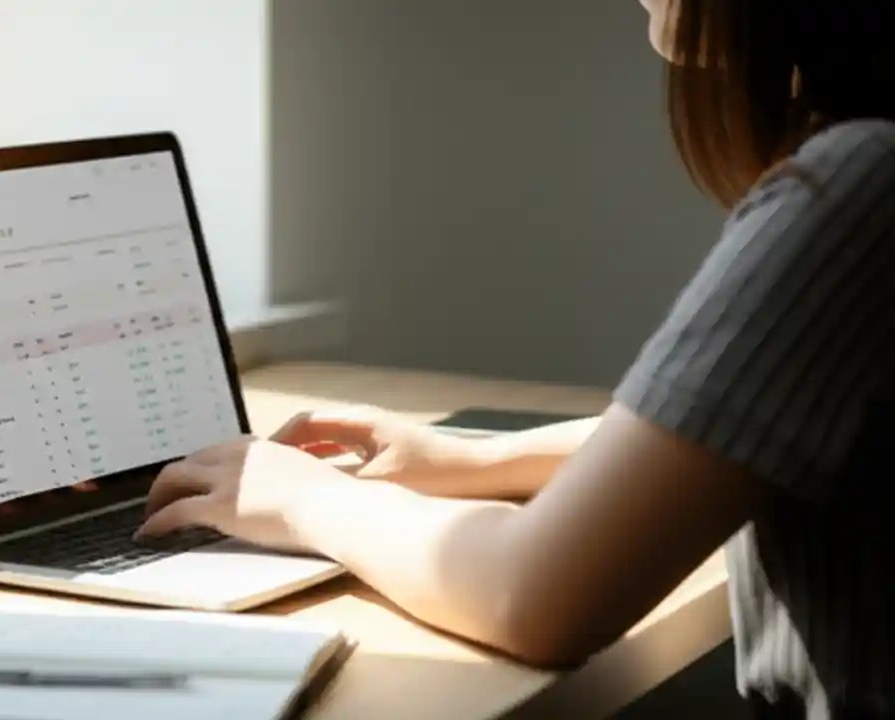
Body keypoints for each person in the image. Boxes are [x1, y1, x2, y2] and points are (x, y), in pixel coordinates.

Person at [137, 1, 895, 717]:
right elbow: (725, 429)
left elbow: (534, 598)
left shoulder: (855, 187)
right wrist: (468, 462)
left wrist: (305, 498)